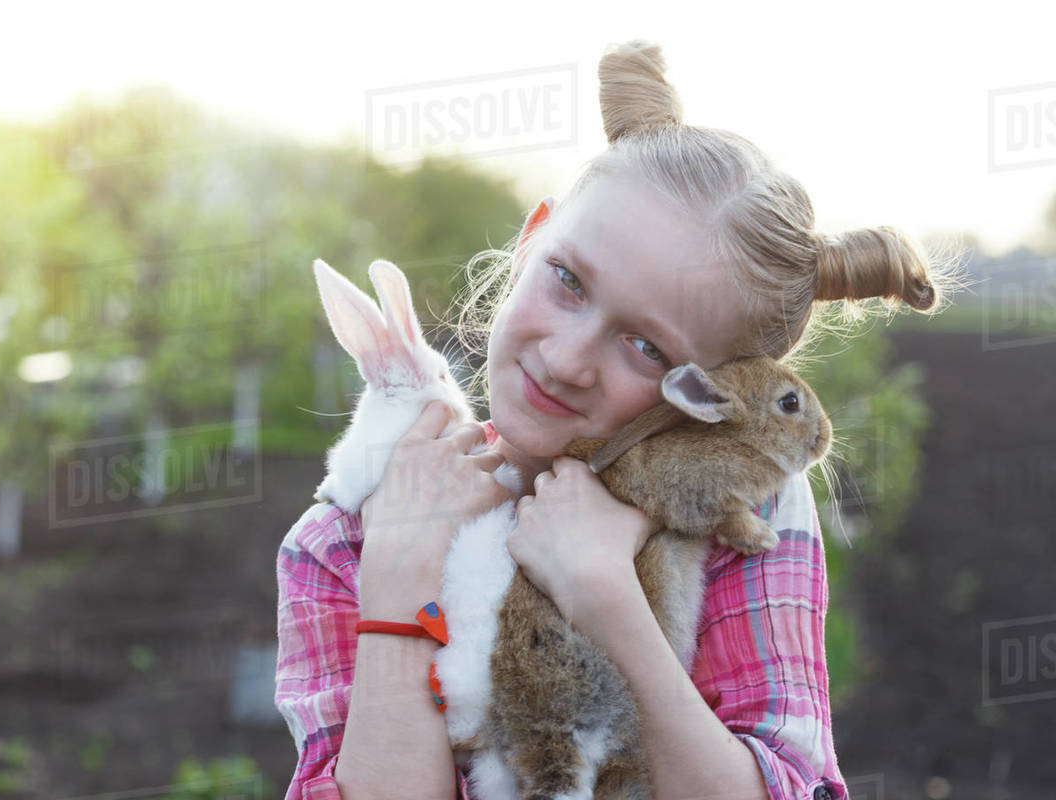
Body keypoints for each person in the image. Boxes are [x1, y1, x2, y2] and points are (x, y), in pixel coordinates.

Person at [275, 39, 962, 800]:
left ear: (715, 395)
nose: (569, 358)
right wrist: (398, 574)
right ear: (530, 239)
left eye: (645, 346)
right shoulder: (343, 543)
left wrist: (608, 594)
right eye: (567, 280)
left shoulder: (740, 513)